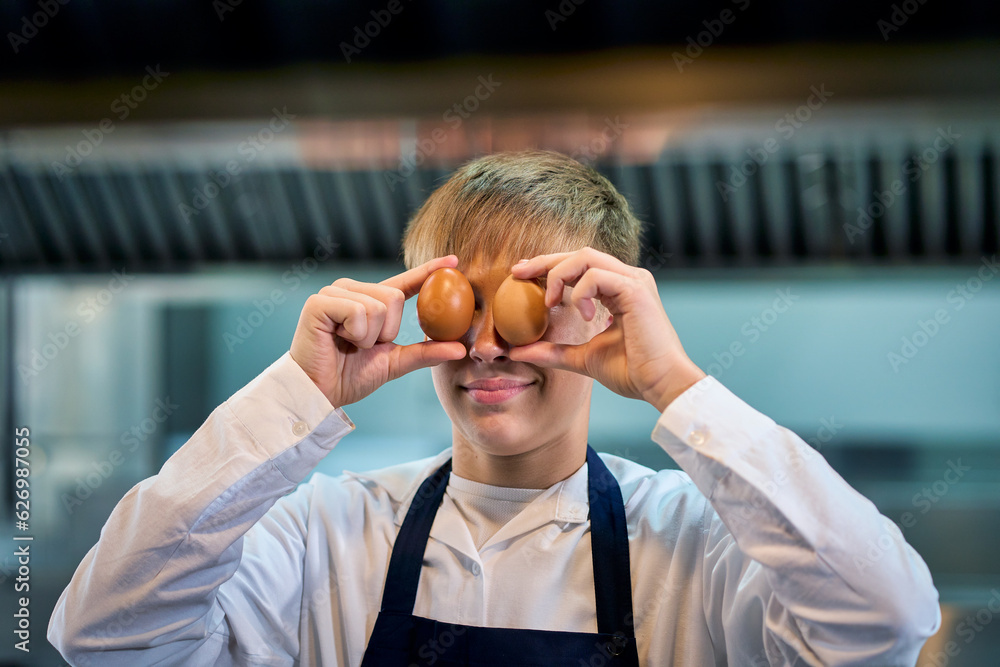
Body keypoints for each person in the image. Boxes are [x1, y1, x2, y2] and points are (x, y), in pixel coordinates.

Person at [48, 150, 940, 666]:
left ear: (602, 305)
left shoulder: (695, 544)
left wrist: (677, 384)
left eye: (522, 298)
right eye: (455, 300)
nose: (482, 344)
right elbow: (102, 634)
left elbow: (886, 620)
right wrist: (296, 392)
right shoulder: (323, 532)